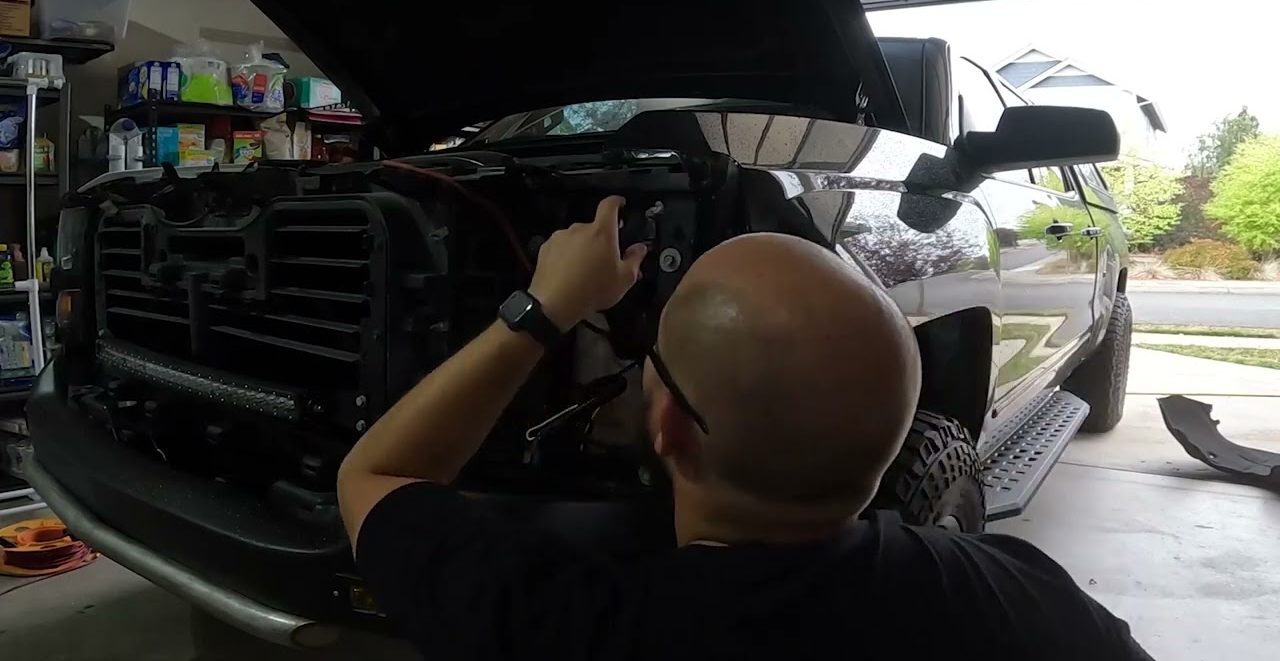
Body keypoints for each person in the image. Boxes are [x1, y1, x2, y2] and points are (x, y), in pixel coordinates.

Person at [337, 196, 1153, 660]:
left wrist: (547, 308)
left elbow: (374, 475)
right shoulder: (1024, 595)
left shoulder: (562, 619)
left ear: (670, 428)